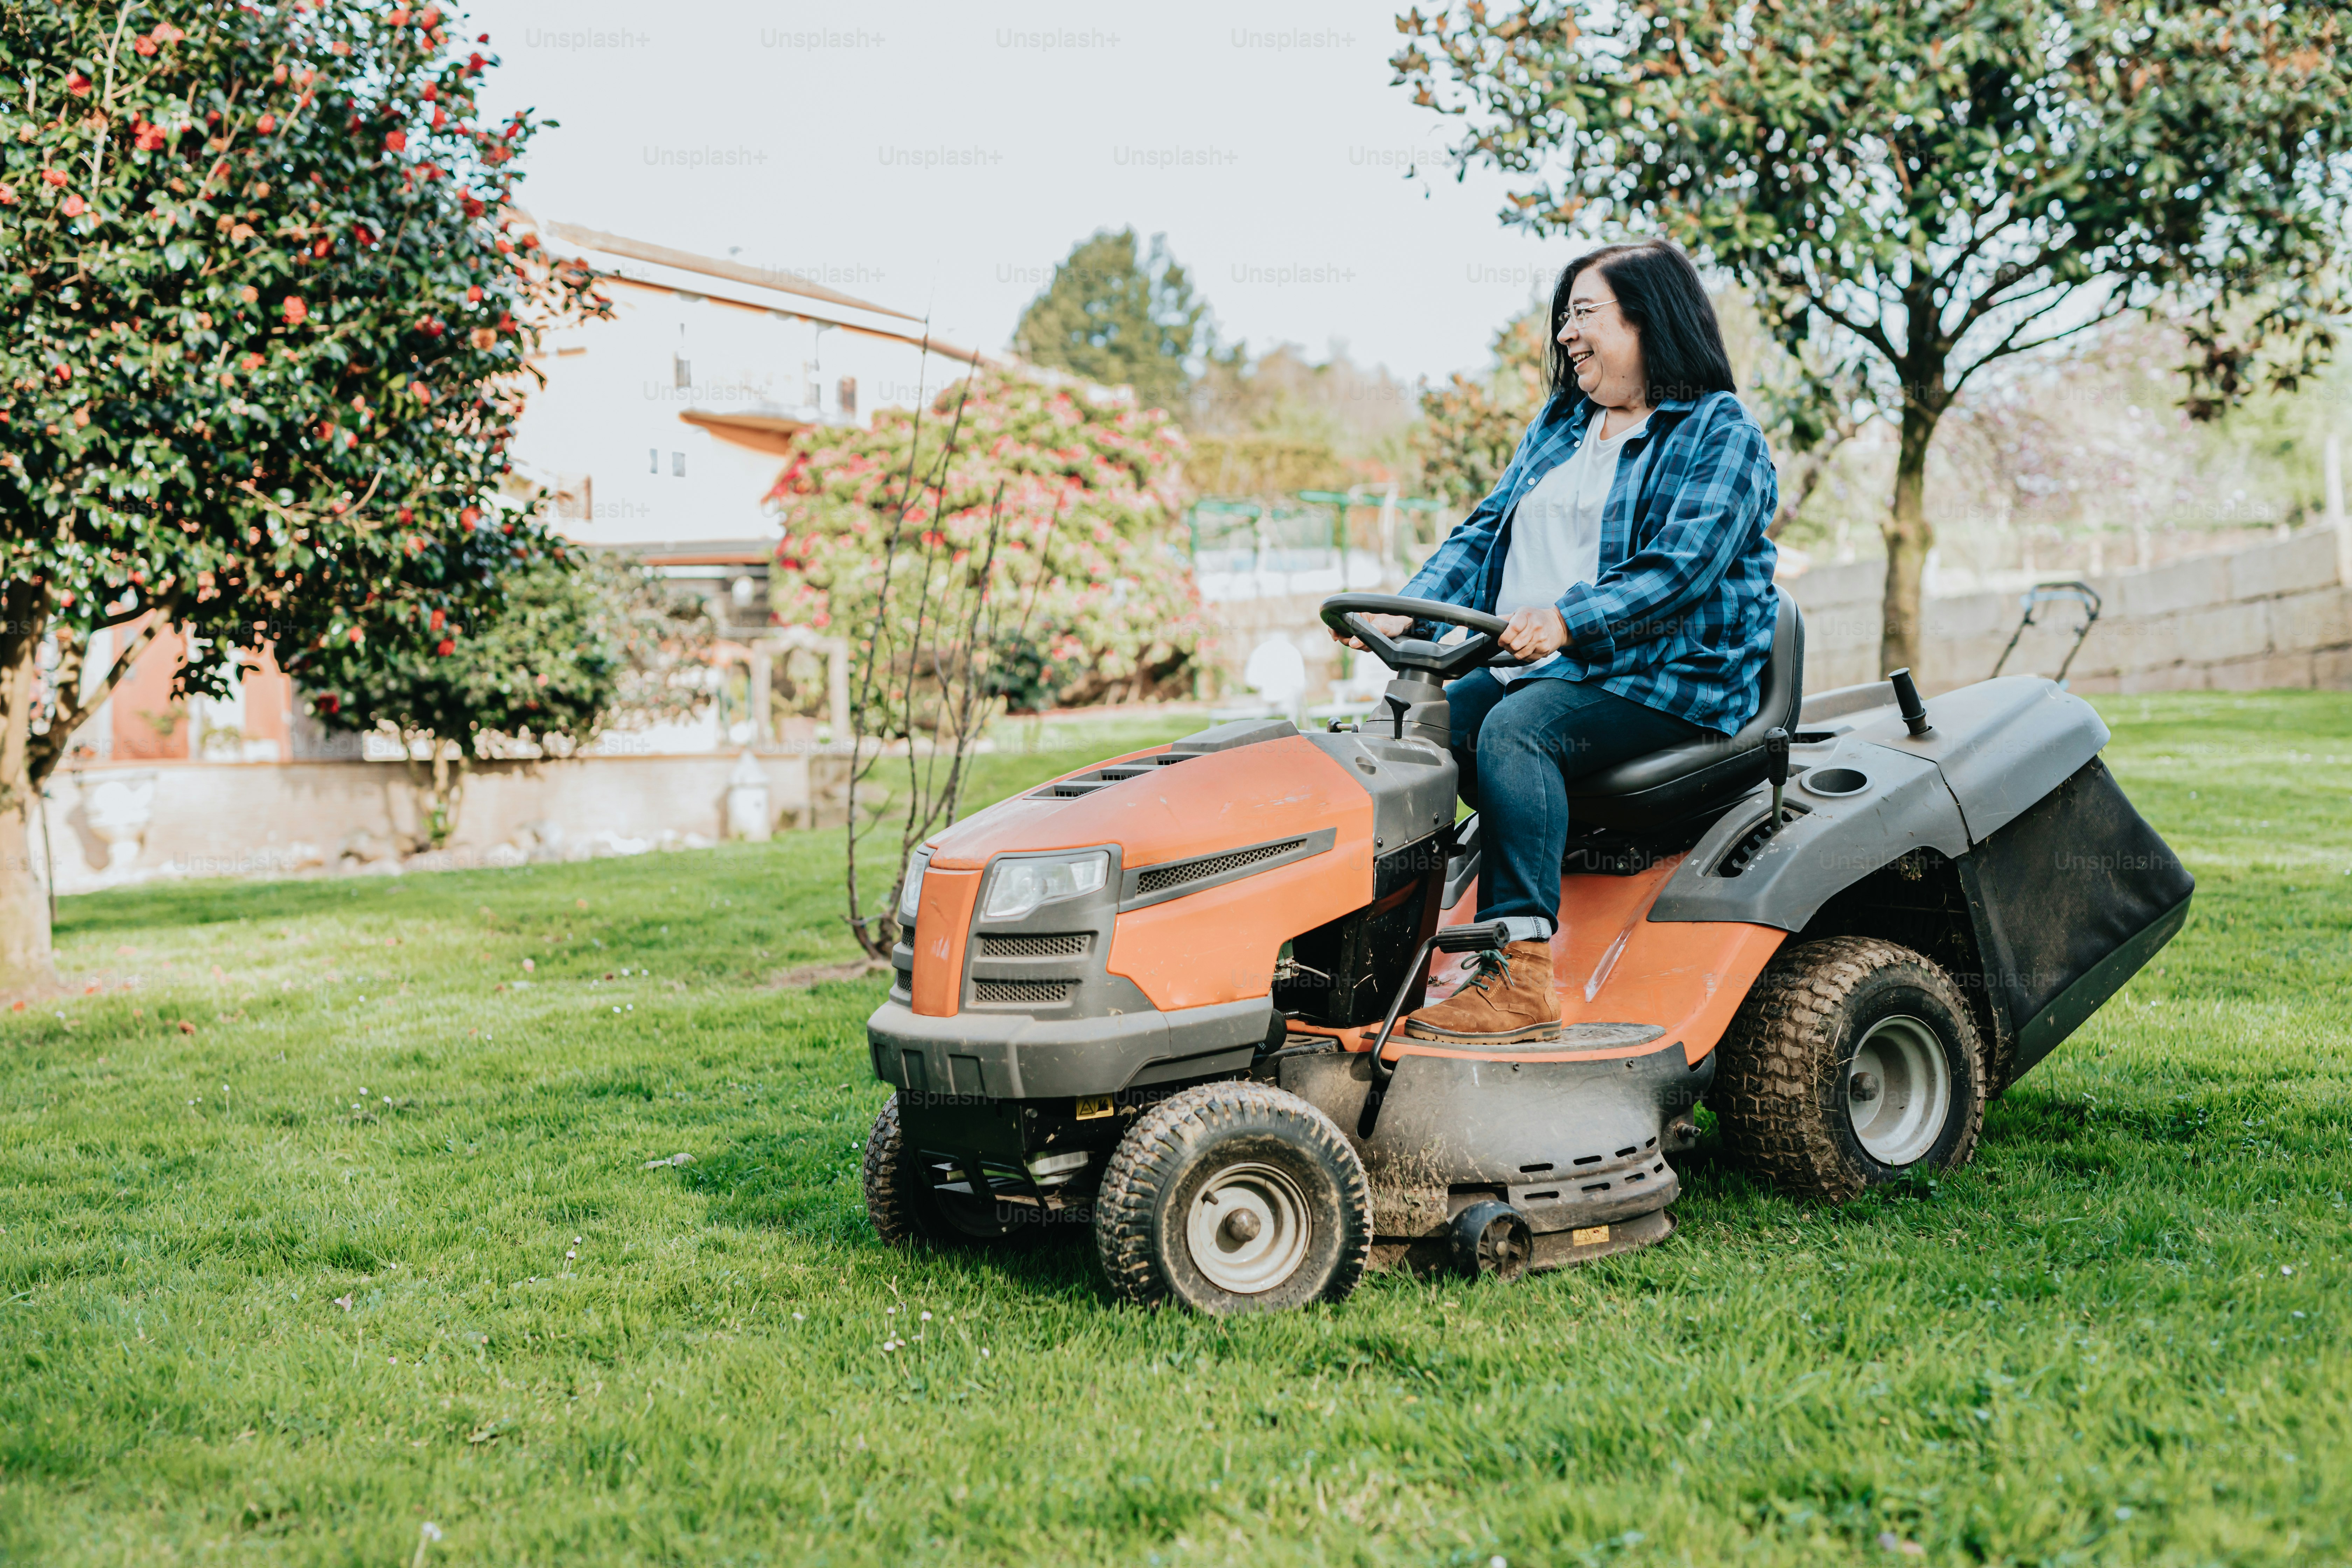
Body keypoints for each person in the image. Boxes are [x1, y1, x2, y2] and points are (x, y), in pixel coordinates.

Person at [1335, 239, 1778, 1044]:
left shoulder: (1721, 433)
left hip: (1669, 676)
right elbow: (1485, 531)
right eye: (1563, 316)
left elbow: (1681, 569)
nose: (1566, 334)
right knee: (1403, 737)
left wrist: (1570, 619)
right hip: (1548, 664)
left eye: (1584, 314)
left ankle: (1521, 974)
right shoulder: (1562, 425)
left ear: (1649, 318)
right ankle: (1369, 955)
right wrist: (1414, 608)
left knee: (1517, 732)